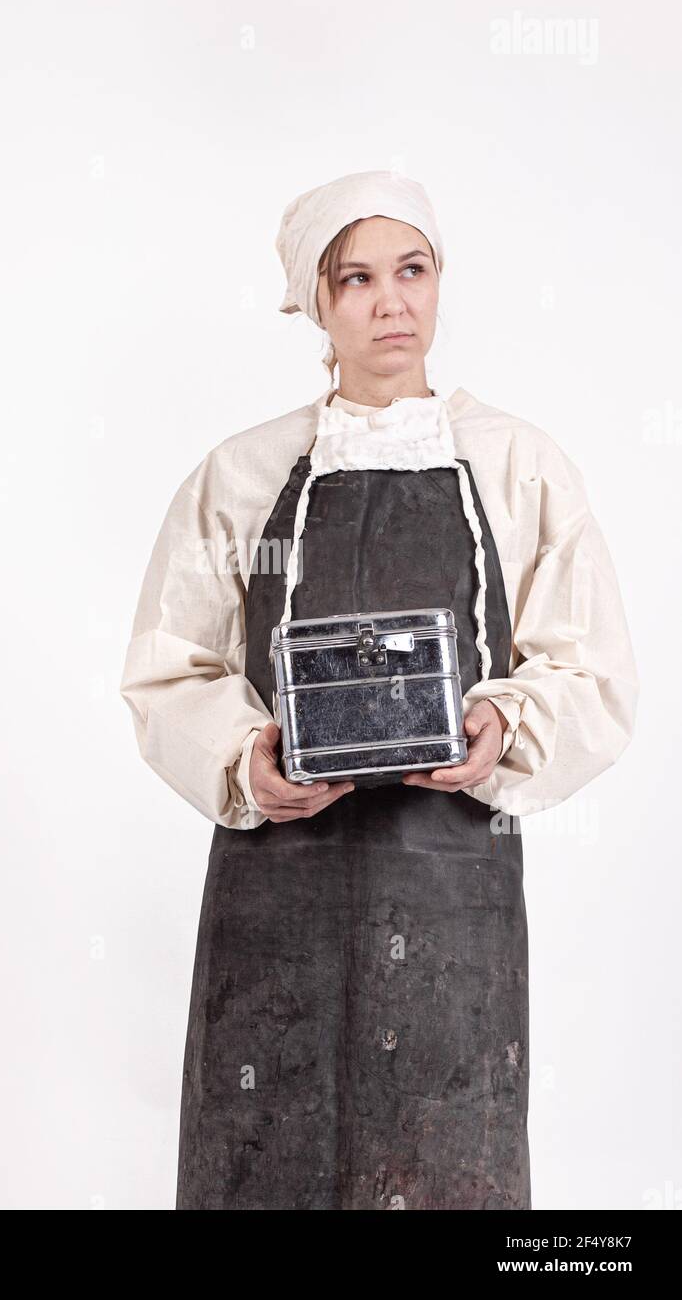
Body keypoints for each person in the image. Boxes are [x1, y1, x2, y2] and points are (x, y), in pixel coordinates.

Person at [119, 169, 639, 1210]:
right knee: (262, 1163)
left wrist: (501, 724)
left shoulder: (518, 466)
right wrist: (244, 761)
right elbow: (168, 665)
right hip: (277, 889)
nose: (388, 301)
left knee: (447, 1163)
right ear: (315, 302)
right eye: (353, 278)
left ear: (439, 280)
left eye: (410, 269)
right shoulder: (240, 473)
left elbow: (588, 669)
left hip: (454, 890)